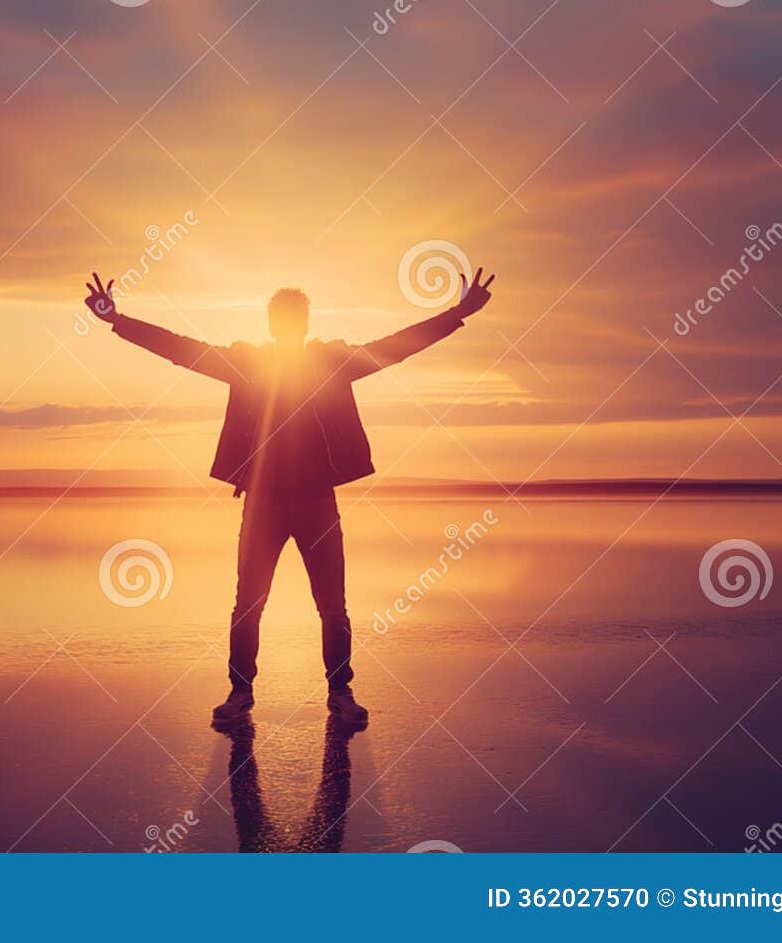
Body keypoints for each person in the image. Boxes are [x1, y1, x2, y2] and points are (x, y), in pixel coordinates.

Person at [83, 268, 494, 725]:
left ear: (304, 323)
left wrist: (458, 314)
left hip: (317, 502)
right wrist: (118, 321)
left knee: (331, 605)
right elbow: (183, 350)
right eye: (284, 319)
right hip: (264, 503)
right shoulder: (247, 364)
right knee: (249, 604)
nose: (290, 326)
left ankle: (340, 693)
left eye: (296, 319)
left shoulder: (332, 362)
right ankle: (241, 692)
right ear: (273, 324)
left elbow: (396, 347)